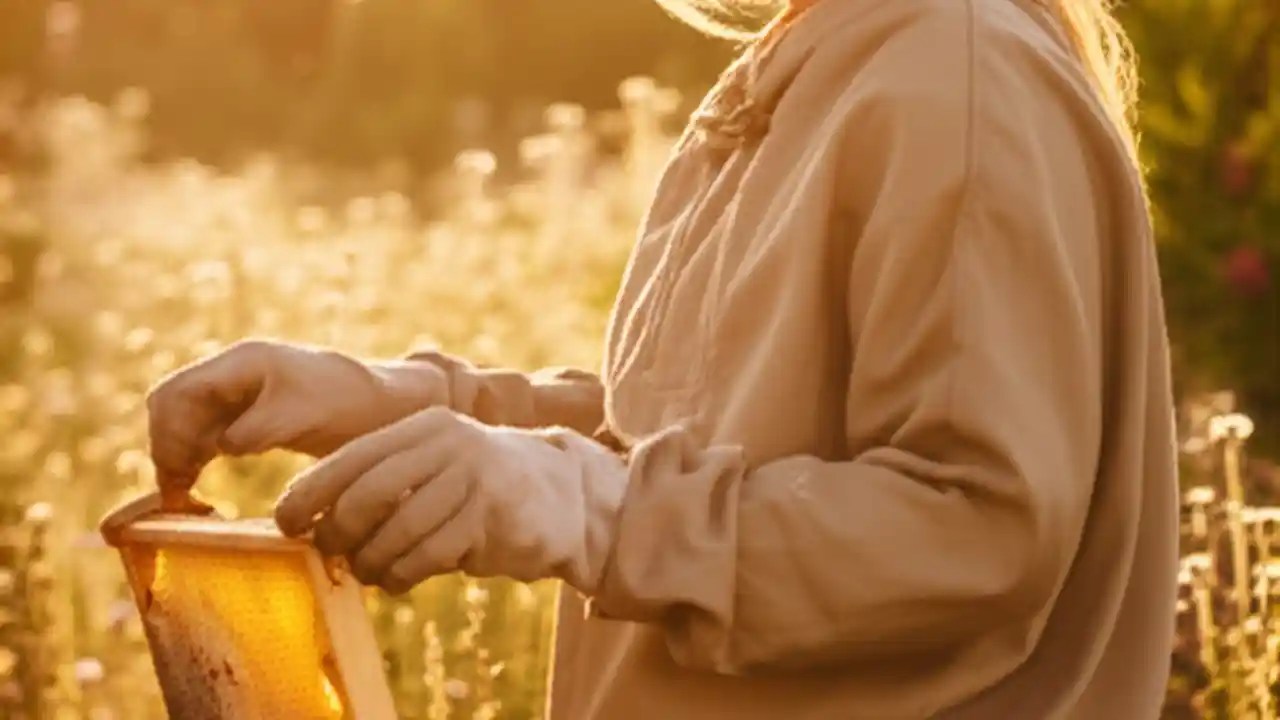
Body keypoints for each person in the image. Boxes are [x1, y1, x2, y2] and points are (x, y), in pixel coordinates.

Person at [145, 0, 1180, 717]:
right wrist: (396, 403)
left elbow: (976, 527)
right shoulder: (821, 58)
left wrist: (587, 510)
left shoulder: (955, 82)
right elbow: (694, 426)